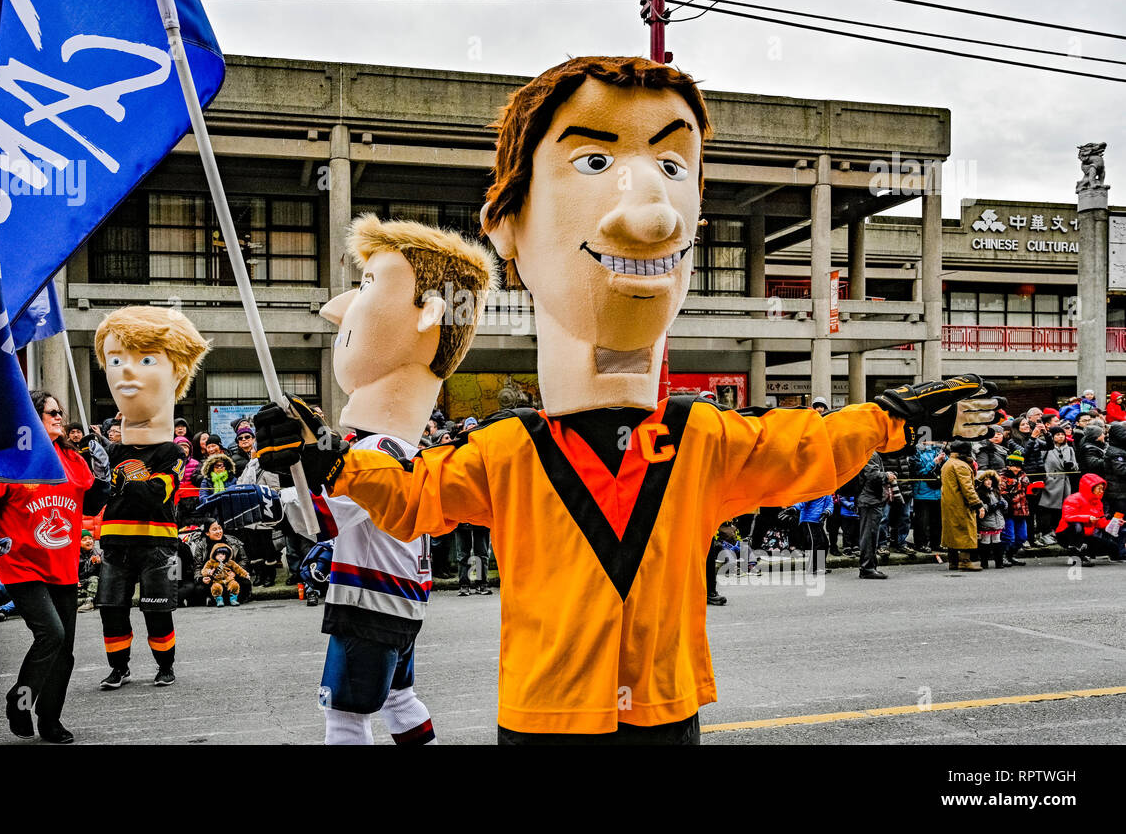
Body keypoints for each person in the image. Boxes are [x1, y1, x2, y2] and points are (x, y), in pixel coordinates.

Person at [255, 56, 1001, 743]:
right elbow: (413, 495)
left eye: (673, 165)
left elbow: (807, 449)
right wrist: (329, 461)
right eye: (595, 159)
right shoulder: (513, 450)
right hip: (550, 713)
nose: (652, 218)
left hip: (660, 709)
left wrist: (888, 418)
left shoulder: (700, 438)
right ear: (506, 225)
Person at [289, 214, 495, 745]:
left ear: (427, 314)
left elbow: (319, 522)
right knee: (400, 698)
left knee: (346, 716)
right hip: (402, 603)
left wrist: (286, 474)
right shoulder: (405, 447)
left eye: (368, 286)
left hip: (369, 604)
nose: (342, 310)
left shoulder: (378, 448)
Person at [0, 391, 110, 743]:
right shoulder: (11, 459)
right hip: (21, 563)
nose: (60, 417)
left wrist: (103, 476)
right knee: (51, 635)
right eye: (51, 412)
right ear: (31, 417)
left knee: (65, 651)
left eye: (60, 412)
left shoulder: (72, 460)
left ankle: (50, 720)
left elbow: (89, 502)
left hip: (63, 565)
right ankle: (20, 700)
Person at [93, 306, 209, 691]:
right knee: (111, 609)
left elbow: (155, 495)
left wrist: (124, 479)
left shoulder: (175, 451)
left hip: (156, 541)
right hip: (114, 540)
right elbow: (98, 496)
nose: (127, 371)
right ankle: (118, 667)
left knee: (158, 609)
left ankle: (165, 665)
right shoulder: (111, 452)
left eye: (145, 359)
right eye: (115, 359)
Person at [1055, 473, 1125, 564]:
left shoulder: (1098, 502)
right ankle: (1078, 556)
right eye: (1099, 488)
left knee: (1113, 547)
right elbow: (1068, 517)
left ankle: (1086, 553)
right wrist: (1088, 518)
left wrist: (1114, 523)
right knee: (1077, 525)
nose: (1101, 491)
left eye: (1103, 489)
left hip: (1086, 536)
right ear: (1090, 487)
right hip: (1066, 534)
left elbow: (1101, 523)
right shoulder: (1073, 498)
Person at [940, 440, 984, 572]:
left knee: (952, 533)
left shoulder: (948, 463)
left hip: (949, 502)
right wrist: (978, 504)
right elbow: (968, 488)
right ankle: (965, 561)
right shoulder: (961, 466)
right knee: (965, 532)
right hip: (961, 503)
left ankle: (953, 562)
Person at [1036, 425, 1077, 546]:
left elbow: (1076, 465)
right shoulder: (1046, 448)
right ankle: (1045, 533)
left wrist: (1071, 466)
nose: (1060, 437)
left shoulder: (1069, 449)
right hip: (1050, 482)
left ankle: (1057, 532)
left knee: (1061, 510)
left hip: (1064, 482)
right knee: (1046, 508)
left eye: (1062, 434)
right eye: (1057, 435)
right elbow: (1041, 463)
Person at [855, 454, 893, 579]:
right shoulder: (870, 453)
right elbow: (872, 475)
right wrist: (887, 476)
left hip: (869, 499)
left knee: (870, 535)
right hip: (869, 500)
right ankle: (867, 568)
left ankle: (870, 567)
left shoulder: (868, 452)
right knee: (869, 535)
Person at [911, 440, 946, 553]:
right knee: (922, 521)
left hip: (938, 492)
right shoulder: (916, 452)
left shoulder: (939, 450)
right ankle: (921, 544)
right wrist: (934, 462)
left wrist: (944, 460)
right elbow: (919, 472)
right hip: (922, 492)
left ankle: (936, 543)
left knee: (937, 520)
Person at [998, 452, 1030, 566]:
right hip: (1009, 511)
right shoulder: (1002, 477)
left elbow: (1027, 490)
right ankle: (1002, 556)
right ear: (1009, 465)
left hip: (1022, 510)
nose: (1016, 469)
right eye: (1014, 466)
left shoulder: (1023, 476)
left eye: (1019, 466)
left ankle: (1011, 555)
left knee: (1022, 537)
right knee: (1008, 537)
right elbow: (1002, 493)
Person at [975, 470, 1008, 569]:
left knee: (997, 540)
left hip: (997, 520)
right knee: (985, 541)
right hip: (987, 521)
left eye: (990, 480)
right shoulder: (980, 493)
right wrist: (992, 507)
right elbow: (981, 507)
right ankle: (984, 562)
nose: (989, 482)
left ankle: (999, 562)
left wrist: (1003, 504)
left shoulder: (995, 491)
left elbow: (1004, 502)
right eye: (986, 480)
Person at [200, 540, 249, 606]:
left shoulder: (230, 562)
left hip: (229, 579)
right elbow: (204, 570)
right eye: (218, 554)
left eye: (223, 554)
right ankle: (219, 599)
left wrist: (245, 574)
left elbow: (238, 568)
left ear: (226, 555)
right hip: (217, 580)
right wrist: (209, 572)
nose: (220, 556)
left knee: (234, 585)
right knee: (216, 588)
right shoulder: (210, 562)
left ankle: (233, 599)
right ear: (214, 554)